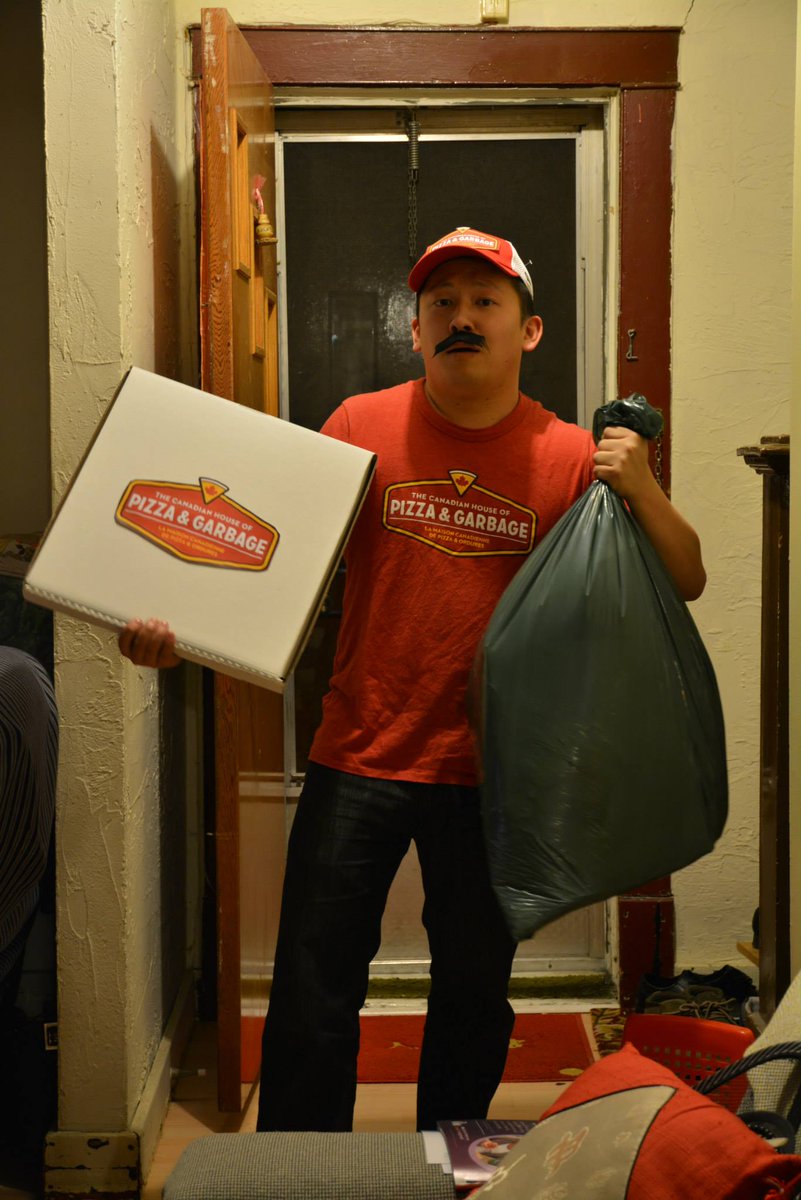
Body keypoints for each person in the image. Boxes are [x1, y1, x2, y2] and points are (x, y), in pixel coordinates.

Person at [119, 227, 706, 1132]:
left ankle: (450, 1164)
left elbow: (684, 581)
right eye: (442, 304)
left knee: (474, 991)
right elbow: (265, 560)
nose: (461, 319)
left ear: (529, 330)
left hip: (496, 772)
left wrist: (645, 490)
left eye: (484, 303)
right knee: (315, 982)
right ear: (415, 325)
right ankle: (299, 1171)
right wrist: (176, 633)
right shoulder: (358, 426)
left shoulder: (564, 459)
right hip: (358, 749)